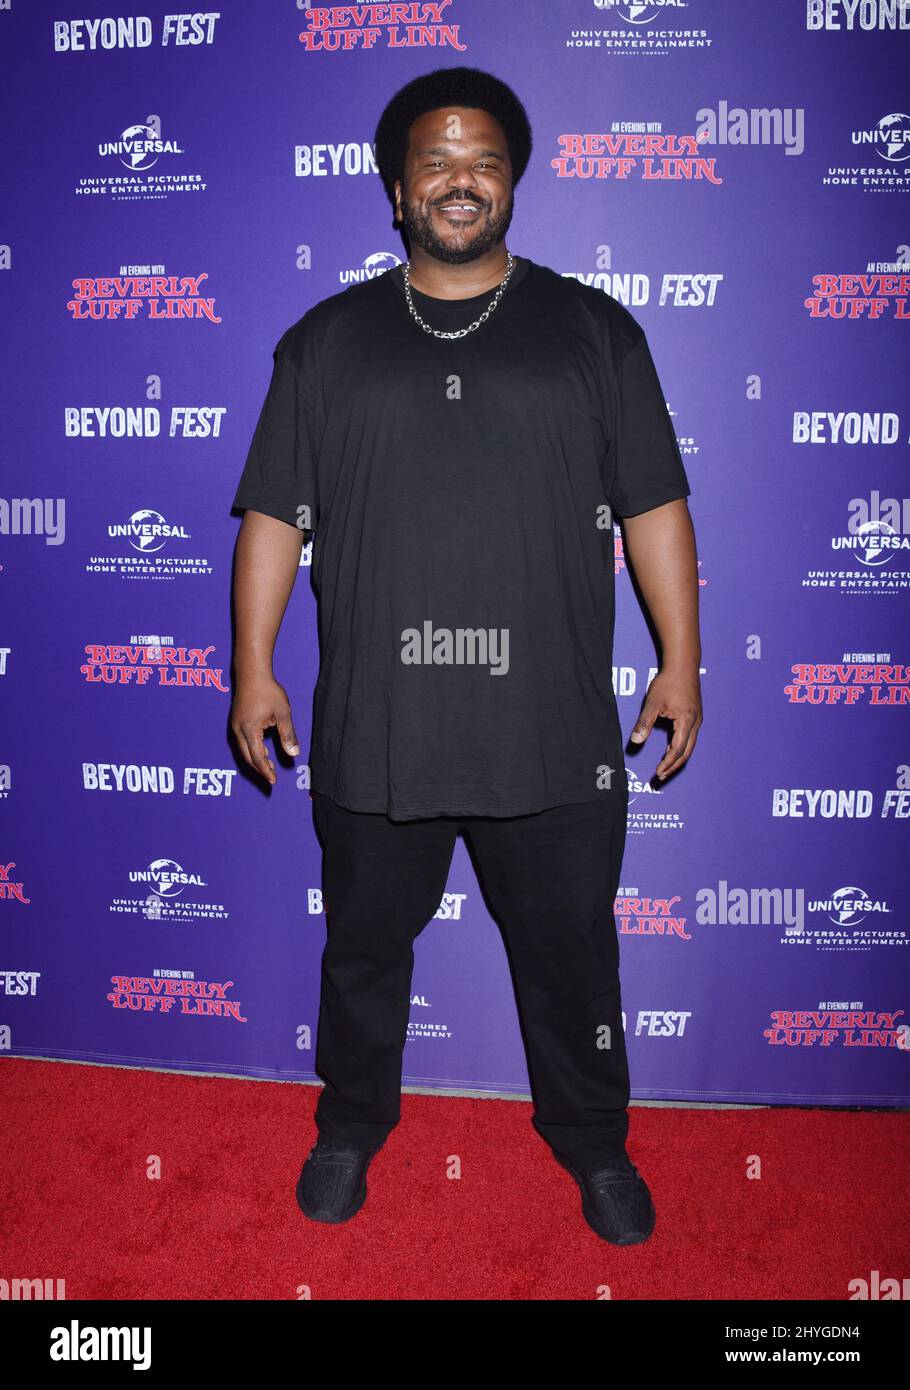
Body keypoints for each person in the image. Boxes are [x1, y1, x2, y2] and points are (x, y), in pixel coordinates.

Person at [229, 65, 702, 1246]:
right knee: (362, 956)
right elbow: (274, 519)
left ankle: (595, 1142)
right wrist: (253, 666)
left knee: (573, 965)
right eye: (435, 160)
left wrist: (681, 663)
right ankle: (349, 1123)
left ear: (513, 180)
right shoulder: (325, 341)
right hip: (378, 729)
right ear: (397, 188)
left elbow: (653, 505)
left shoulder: (593, 328)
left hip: (546, 730)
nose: (459, 179)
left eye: (483, 160)